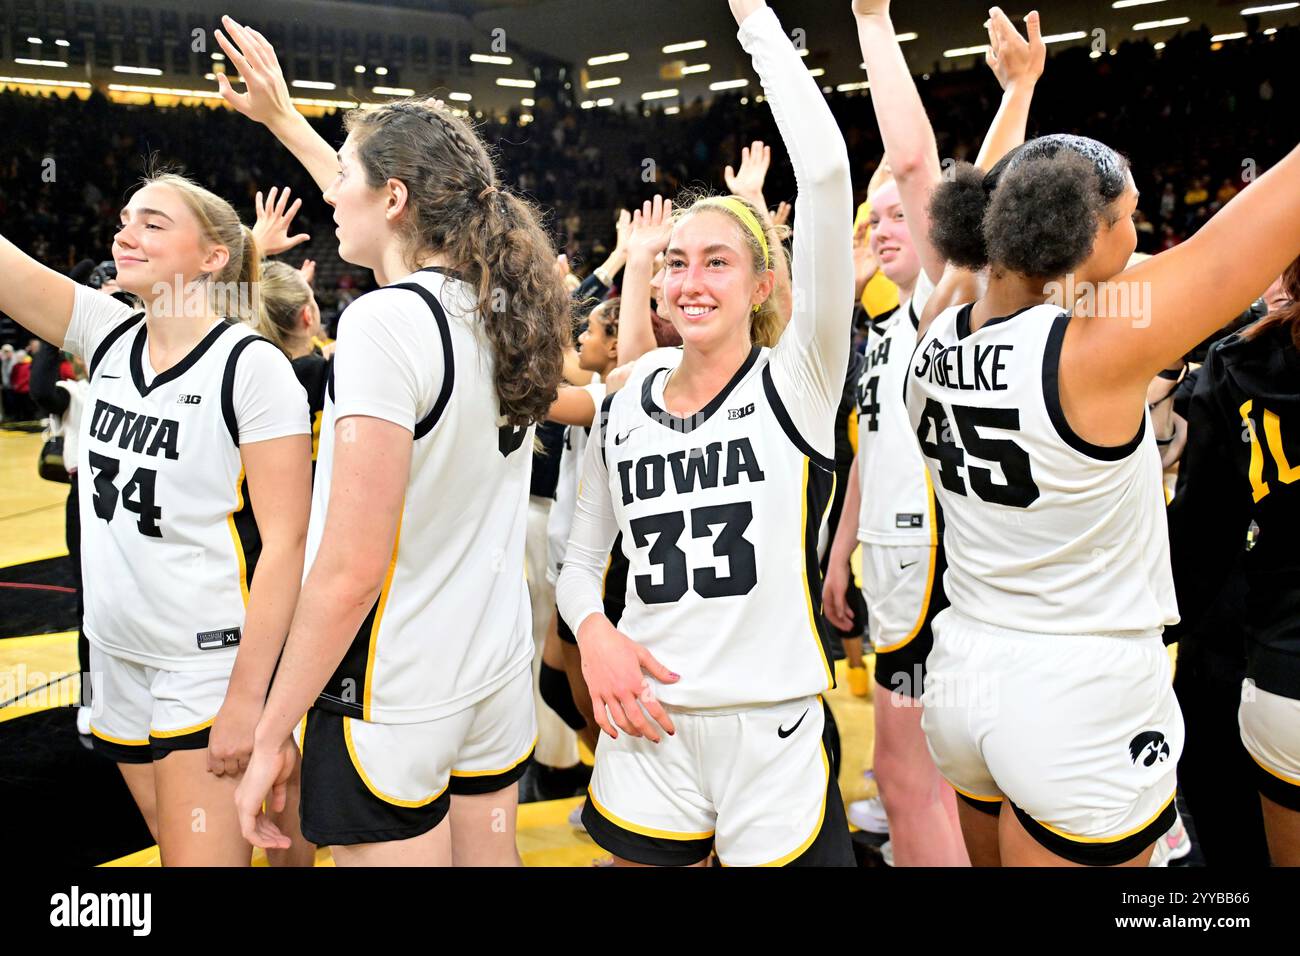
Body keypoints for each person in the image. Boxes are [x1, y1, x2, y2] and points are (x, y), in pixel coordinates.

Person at [215, 17, 570, 866]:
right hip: (490, 676)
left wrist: (270, 728)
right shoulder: (503, 310)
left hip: (395, 691)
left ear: (398, 199)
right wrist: (283, 119)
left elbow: (348, 571)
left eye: (346, 179)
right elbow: (375, 194)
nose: (330, 193)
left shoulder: (383, 324)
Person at [910, 126, 1300, 863]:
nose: (1139, 230)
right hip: (1077, 694)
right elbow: (1239, 243)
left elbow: (984, 269)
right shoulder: (1094, 347)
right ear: (1083, 232)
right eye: (1128, 216)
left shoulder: (933, 334)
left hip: (965, 675)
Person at [556, 0, 854, 867]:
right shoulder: (627, 393)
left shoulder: (798, 382)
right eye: (677, 261)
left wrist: (757, 21)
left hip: (774, 724)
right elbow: (580, 565)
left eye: (718, 261)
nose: (692, 280)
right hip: (647, 718)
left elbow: (830, 178)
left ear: (763, 284)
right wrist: (596, 635)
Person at [0, 170, 313, 866]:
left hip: (202, 664)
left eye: (152, 222)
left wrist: (248, 698)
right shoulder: (107, 333)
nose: (124, 233)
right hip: (115, 656)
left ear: (211, 258)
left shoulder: (251, 368)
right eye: (124, 218)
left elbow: (287, 544)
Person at [822, 0, 1043, 866]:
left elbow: (934, 170)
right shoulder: (886, 331)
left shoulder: (937, 307)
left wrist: (872, 23)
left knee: (914, 783)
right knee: (928, 780)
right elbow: (872, 457)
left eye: (894, 218)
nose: (881, 227)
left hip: (931, 570)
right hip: (891, 561)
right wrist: (842, 550)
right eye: (870, 219)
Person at [1168, 257, 1300, 866]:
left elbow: (1200, 536)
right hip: (1242, 651)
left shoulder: (1239, 359)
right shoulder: (1229, 355)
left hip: (1276, 670)